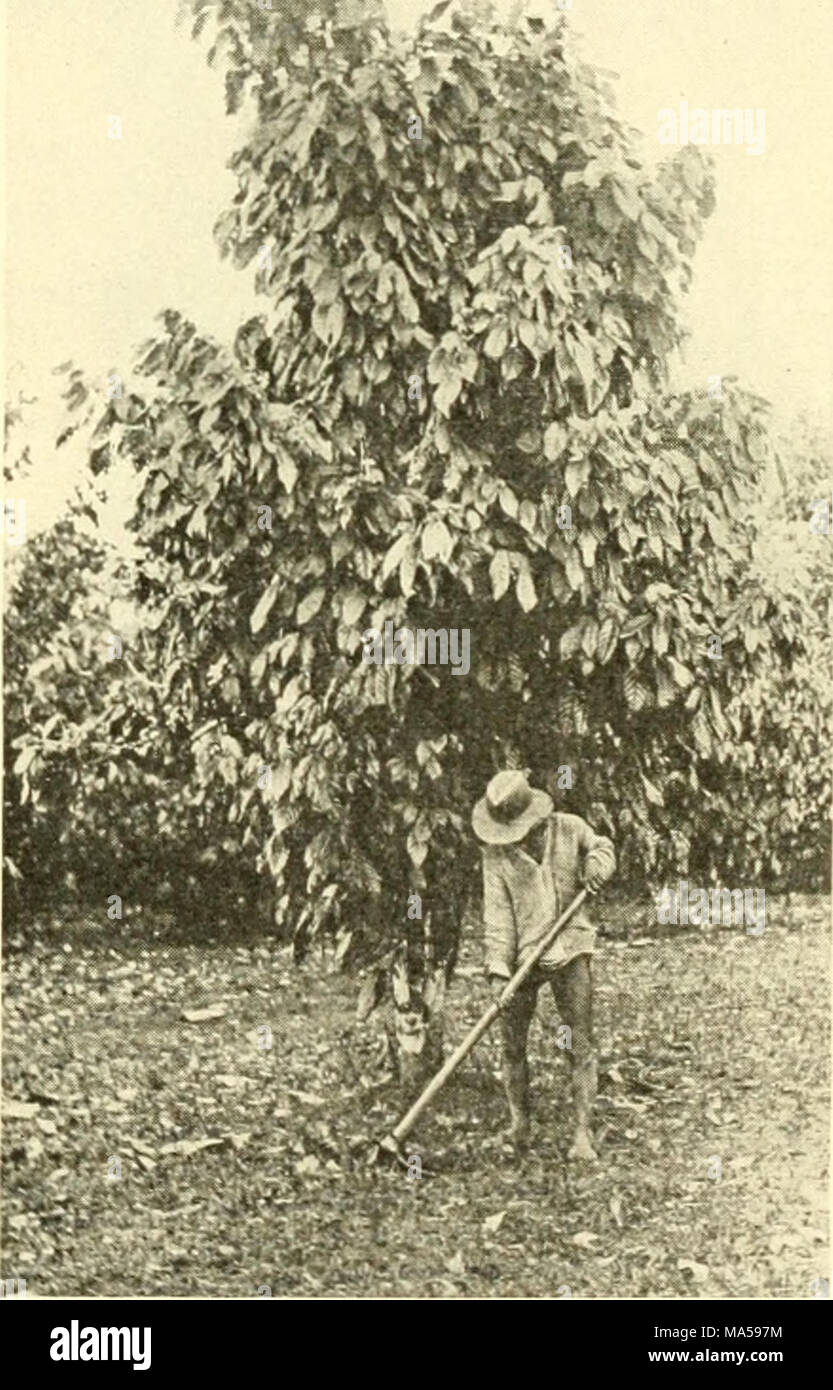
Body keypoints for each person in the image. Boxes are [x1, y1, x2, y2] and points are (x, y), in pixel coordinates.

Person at [472, 769, 615, 1160]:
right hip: (522, 959)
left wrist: (597, 865)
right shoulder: (496, 858)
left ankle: (583, 1134)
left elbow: (602, 846)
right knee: (512, 1044)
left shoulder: (569, 829)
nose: (519, 838)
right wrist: (498, 974)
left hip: (570, 945)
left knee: (578, 1041)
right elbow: (498, 920)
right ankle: (520, 1124)